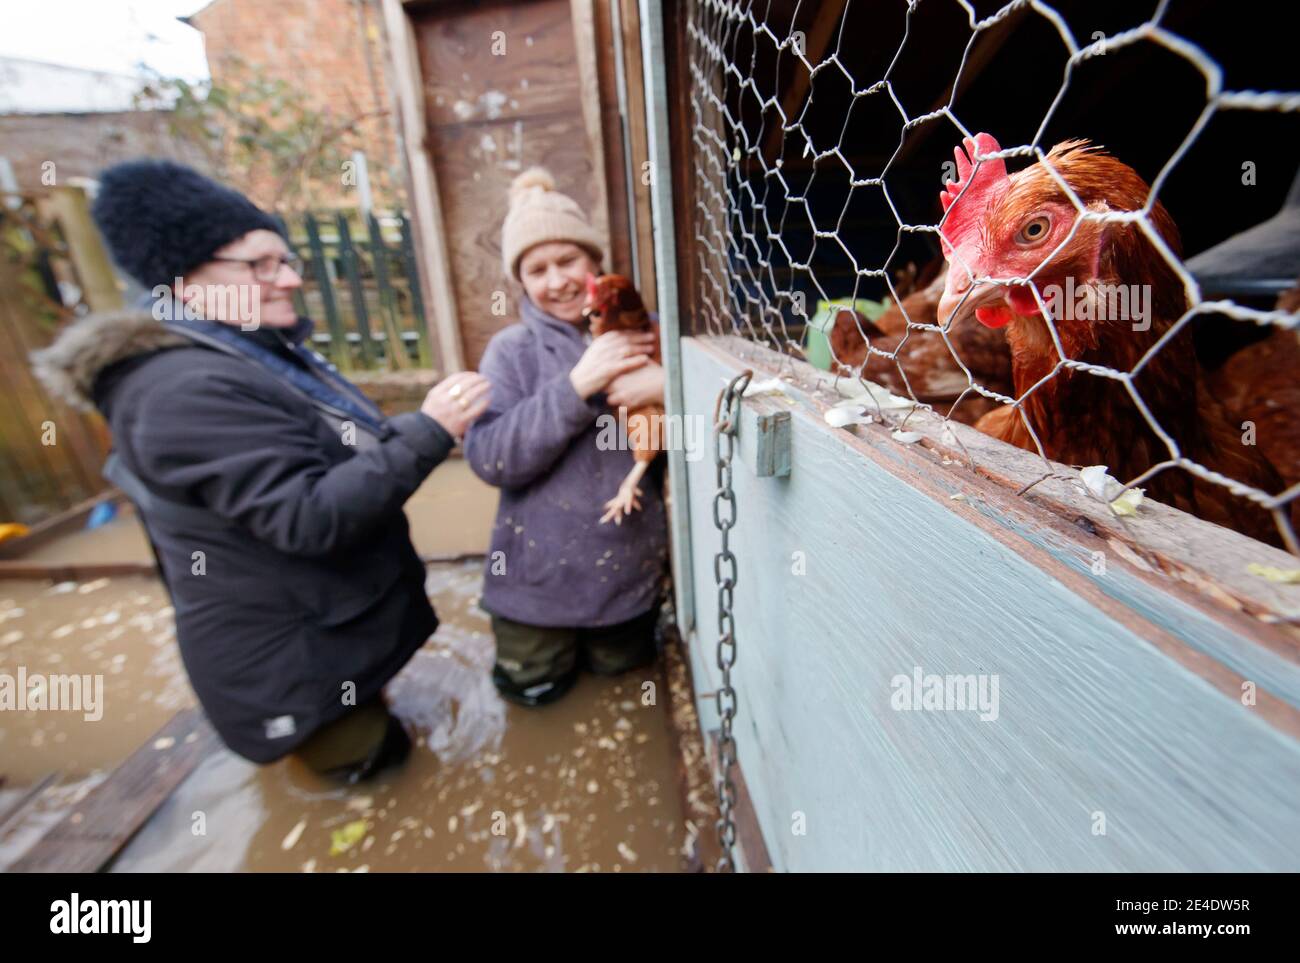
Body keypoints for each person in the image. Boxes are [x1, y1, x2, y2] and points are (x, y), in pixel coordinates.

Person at [32, 159, 490, 781]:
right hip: (294, 663)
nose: (292, 280)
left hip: (326, 631)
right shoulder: (183, 390)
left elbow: (338, 448)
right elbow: (308, 518)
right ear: (185, 280)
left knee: (369, 727)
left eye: (286, 260)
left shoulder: (247, 352)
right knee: (367, 773)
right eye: (260, 265)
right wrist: (431, 429)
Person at [464, 168, 669, 706]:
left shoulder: (650, 332)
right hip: (536, 580)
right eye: (537, 269)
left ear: (595, 263)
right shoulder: (511, 352)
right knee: (534, 693)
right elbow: (490, 459)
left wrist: (671, 383)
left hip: (627, 568)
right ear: (521, 281)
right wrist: (577, 386)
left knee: (625, 691)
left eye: (568, 261)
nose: (556, 280)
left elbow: (704, 426)